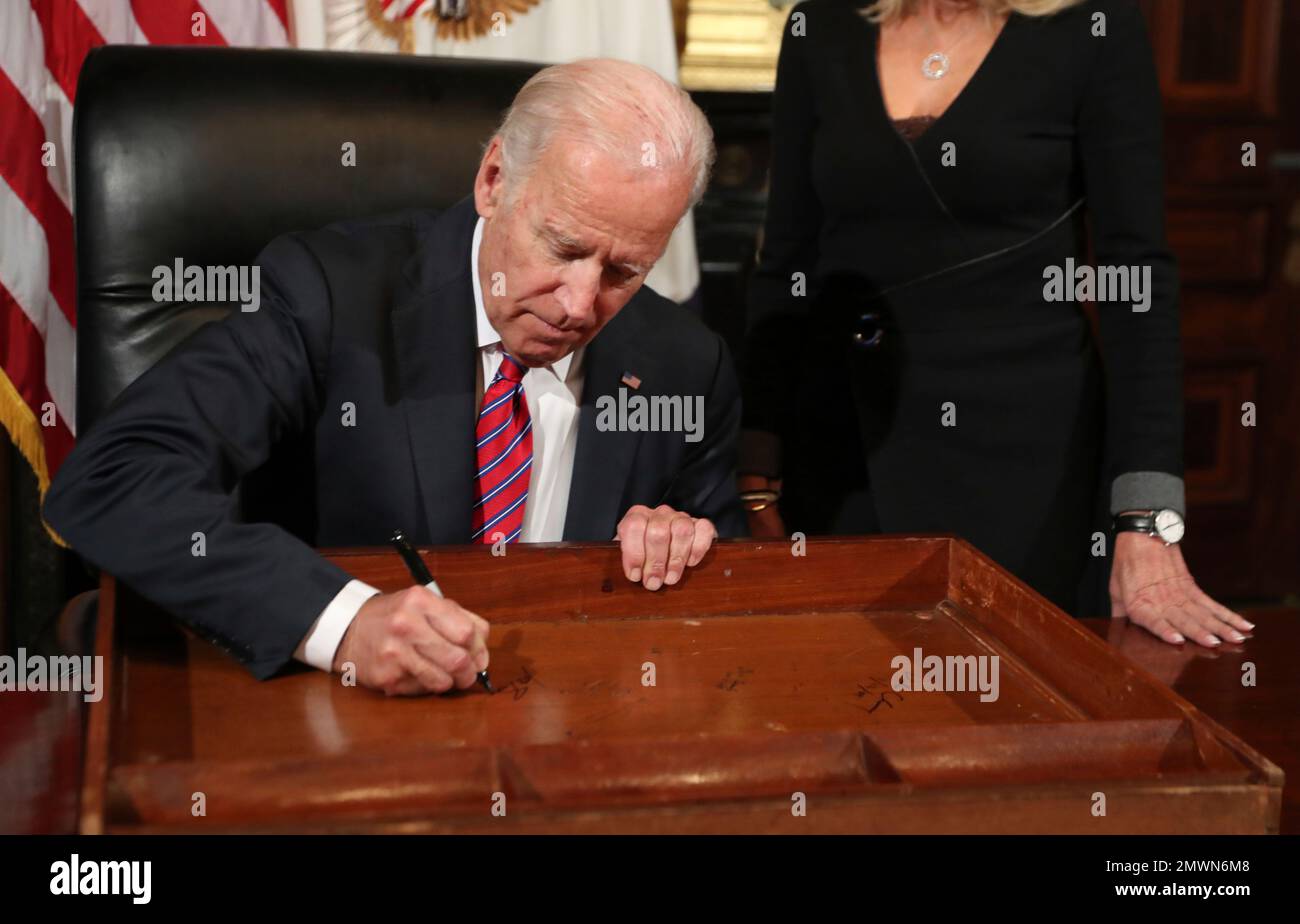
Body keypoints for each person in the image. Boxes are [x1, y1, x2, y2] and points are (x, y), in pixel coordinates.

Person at [44, 58, 744, 696]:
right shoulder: (328, 295)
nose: (580, 304)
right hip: (330, 715)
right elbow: (113, 478)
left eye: (625, 271)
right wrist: (343, 622)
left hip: (569, 719)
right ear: (494, 181)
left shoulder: (685, 363)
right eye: (562, 247)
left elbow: (739, 586)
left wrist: (678, 542)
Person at [740, 0, 1251, 648]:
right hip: (845, 456)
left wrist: (1146, 518)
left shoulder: (1093, 27)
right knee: (848, 703)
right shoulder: (822, 23)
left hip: (1031, 460)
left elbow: (1136, 279)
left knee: (1019, 717)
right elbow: (786, 261)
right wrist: (754, 462)